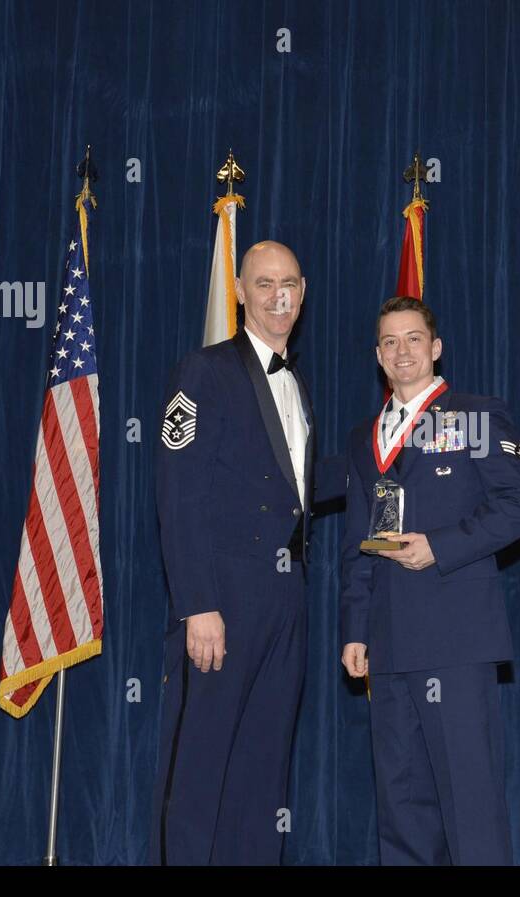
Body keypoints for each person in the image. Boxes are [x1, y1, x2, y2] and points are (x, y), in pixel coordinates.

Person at [339, 295, 520, 865]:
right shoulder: (365, 437)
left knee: (470, 804)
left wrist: (441, 546)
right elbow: (358, 541)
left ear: (436, 348)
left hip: (456, 639)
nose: (402, 351)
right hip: (388, 639)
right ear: (378, 355)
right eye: (390, 342)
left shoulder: (476, 416)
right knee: (401, 807)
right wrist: (355, 629)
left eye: (413, 339)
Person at [150, 240, 315, 865]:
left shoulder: (296, 383)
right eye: (265, 282)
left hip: (285, 600)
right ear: (241, 291)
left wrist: (382, 471)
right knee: (198, 770)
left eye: (290, 283)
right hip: (221, 598)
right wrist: (198, 604)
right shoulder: (205, 371)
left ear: (303, 294)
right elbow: (179, 493)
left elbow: (293, 489)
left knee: (262, 772)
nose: (279, 294)